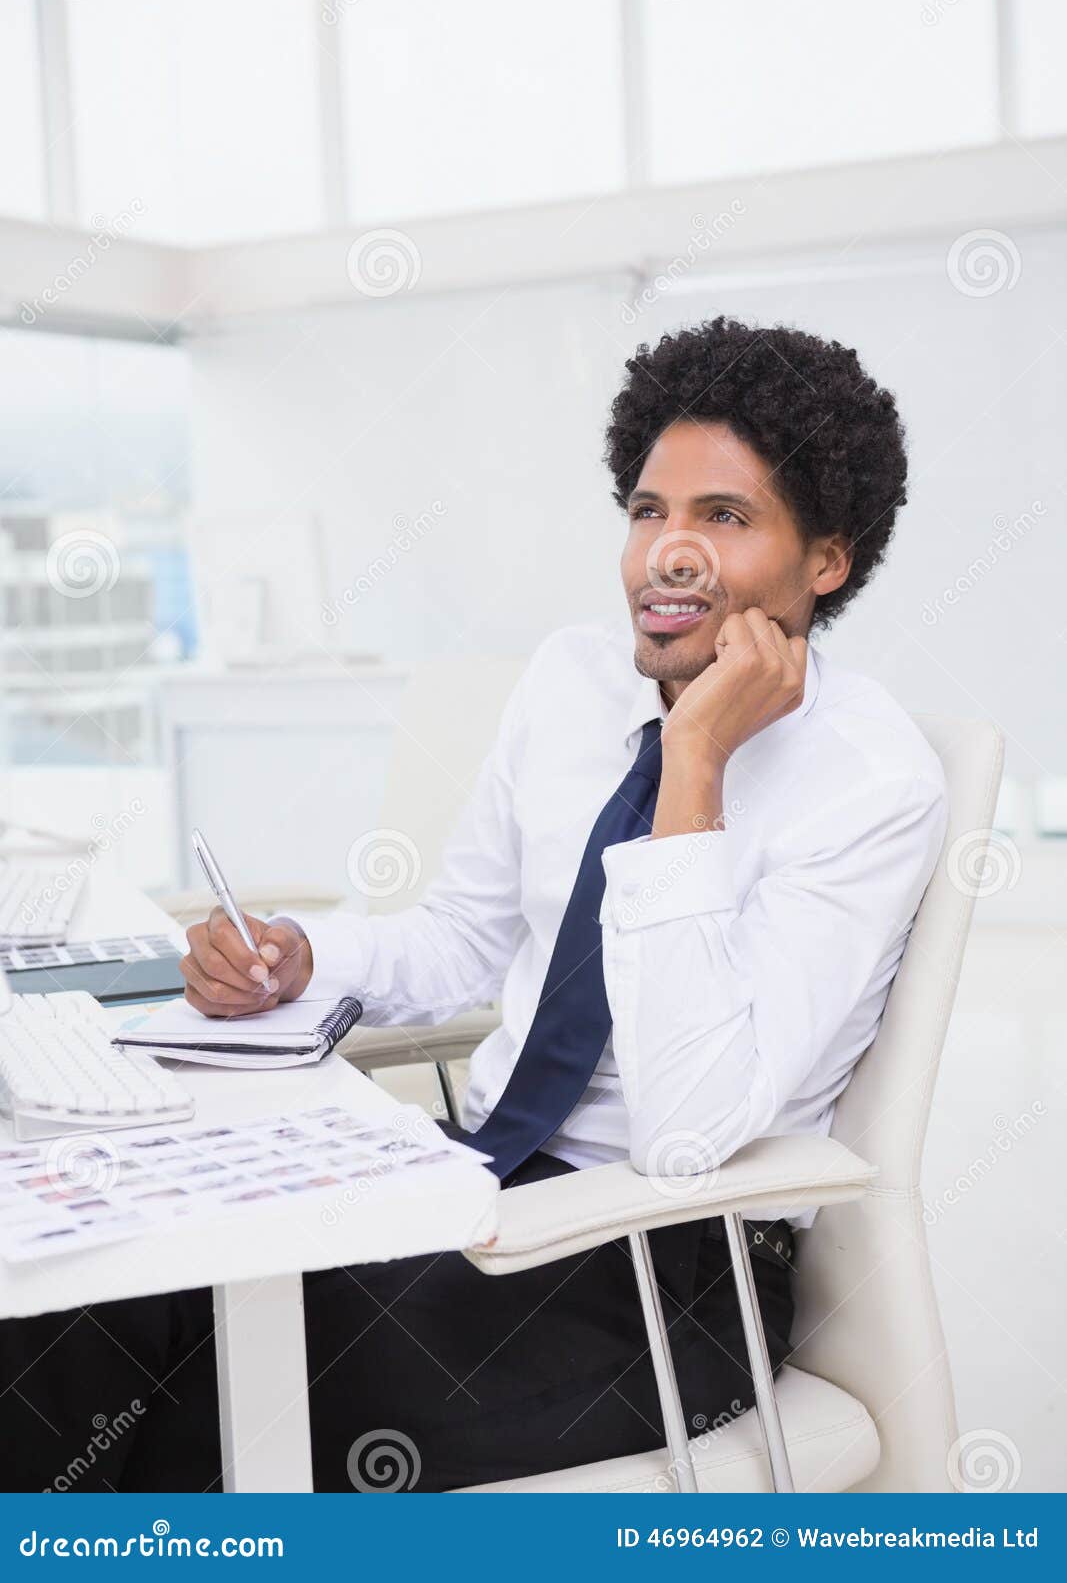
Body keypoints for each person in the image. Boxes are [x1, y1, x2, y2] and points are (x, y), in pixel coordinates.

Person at [1, 316, 947, 1492]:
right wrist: (303, 956)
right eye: (649, 511)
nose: (667, 554)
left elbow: (689, 1132)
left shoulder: (871, 782)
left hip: (655, 1270)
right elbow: (464, 935)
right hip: (460, 1183)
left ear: (825, 561)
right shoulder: (566, 680)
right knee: (86, 1302)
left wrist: (691, 768)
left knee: (211, 1418)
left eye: (724, 517)